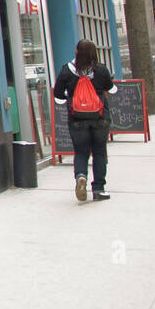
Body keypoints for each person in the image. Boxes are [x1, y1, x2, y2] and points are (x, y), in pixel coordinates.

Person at [52, 39, 114, 202]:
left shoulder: (67, 70)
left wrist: (70, 97)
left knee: (81, 152)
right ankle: (99, 189)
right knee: (100, 152)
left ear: (76, 52)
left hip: (77, 119)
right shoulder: (101, 70)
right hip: (100, 118)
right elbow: (109, 87)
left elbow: (57, 94)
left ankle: (81, 176)